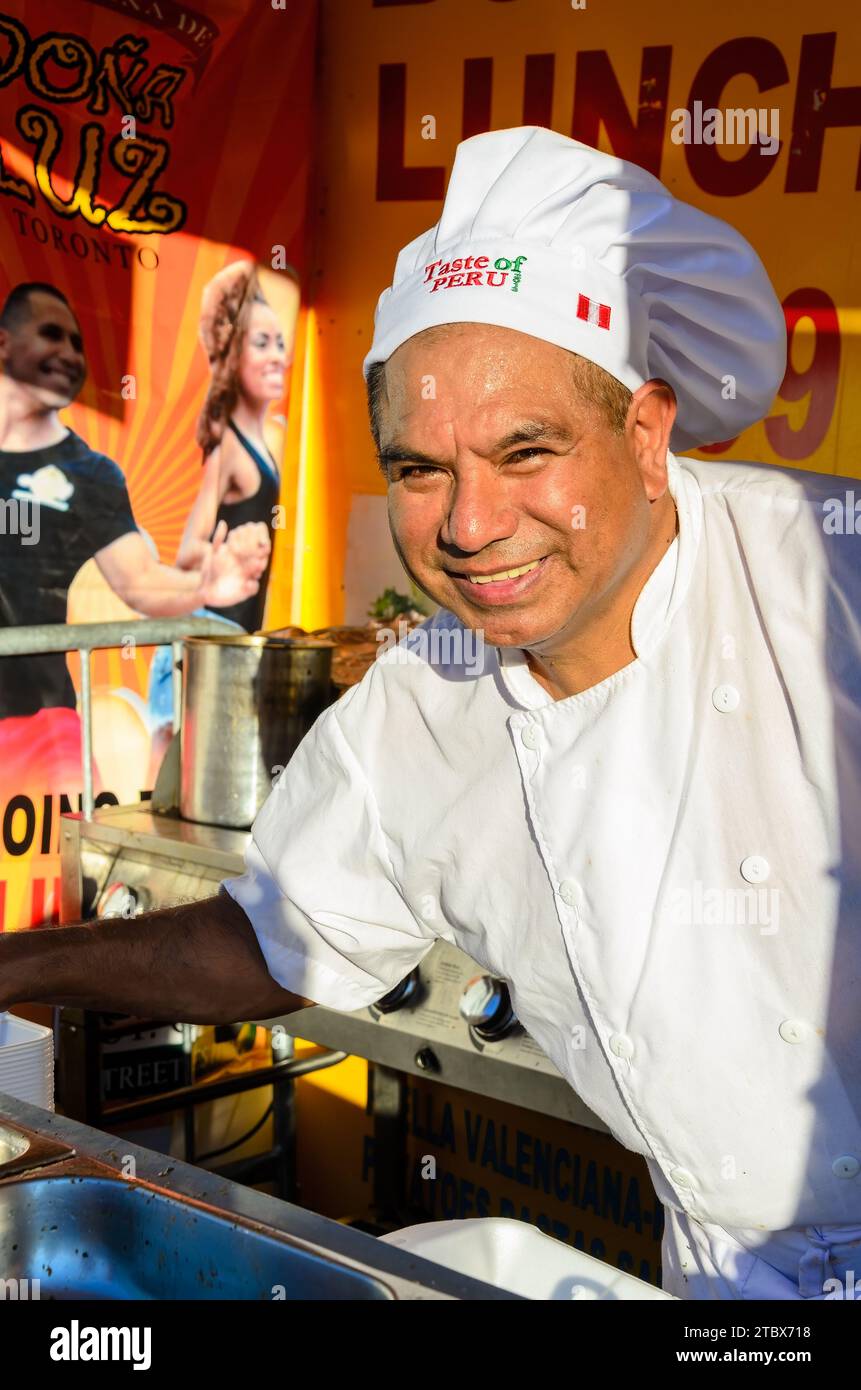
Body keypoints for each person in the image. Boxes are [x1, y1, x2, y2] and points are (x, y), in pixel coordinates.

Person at [1, 129, 859, 1302]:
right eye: (418, 469)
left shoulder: (825, 585)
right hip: (730, 1282)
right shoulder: (431, 691)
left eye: (526, 450)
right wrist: (13, 962)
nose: (469, 523)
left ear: (648, 437)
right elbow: (274, 936)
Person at [0, 282, 268, 722]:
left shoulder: (92, 473)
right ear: (4, 342)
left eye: (77, 344)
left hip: (38, 732)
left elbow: (139, 580)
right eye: (51, 334)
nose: (69, 353)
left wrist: (204, 586)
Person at [174, 259, 297, 633]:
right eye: (262, 343)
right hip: (214, 627)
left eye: (280, 342)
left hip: (242, 625)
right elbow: (188, 551)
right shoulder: (229, 446)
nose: (278, 355)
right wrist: (228, 554)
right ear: (233, 355)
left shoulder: (267, 440)